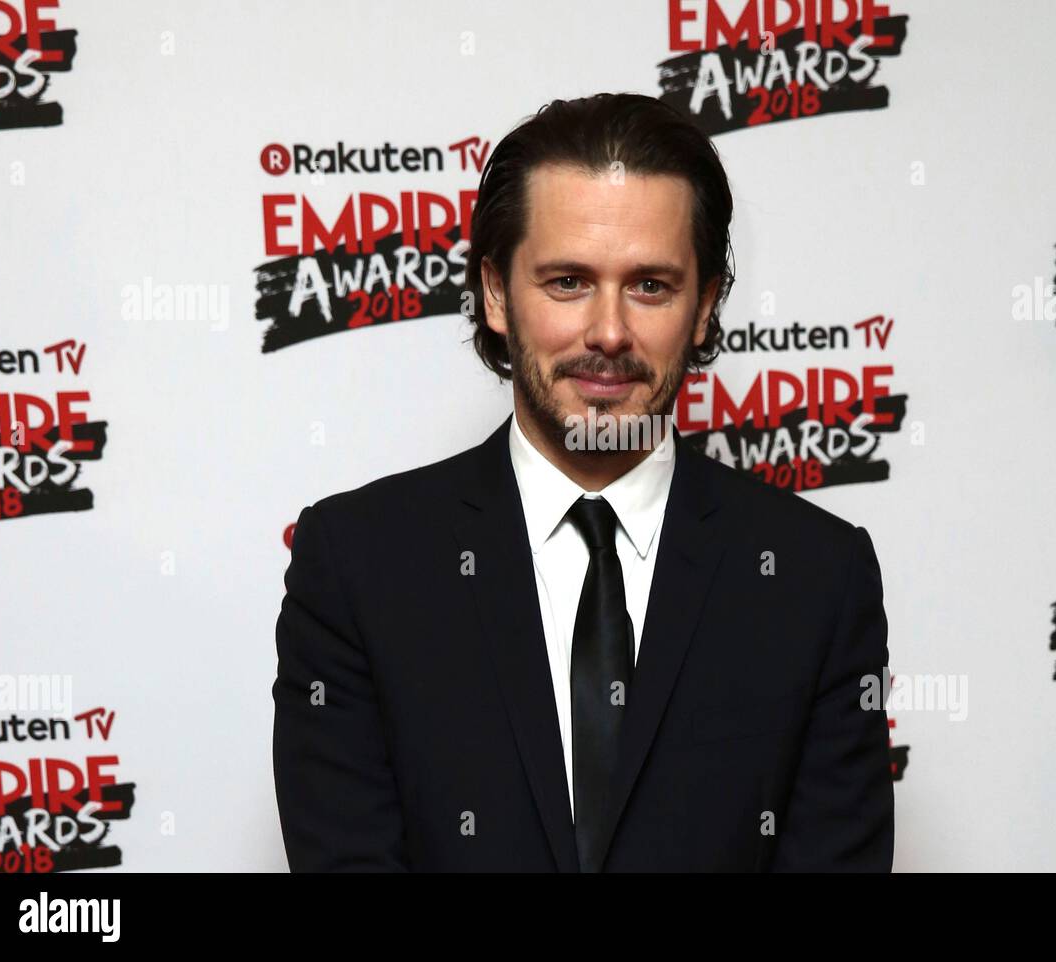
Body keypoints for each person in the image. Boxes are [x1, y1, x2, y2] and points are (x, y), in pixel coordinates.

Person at [272, 92, 893, 872]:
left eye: (651, 286)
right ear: (496, 293)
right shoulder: (360, 566)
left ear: (705, 307)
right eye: (567, 282)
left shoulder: (816, 579)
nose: (608, 331)